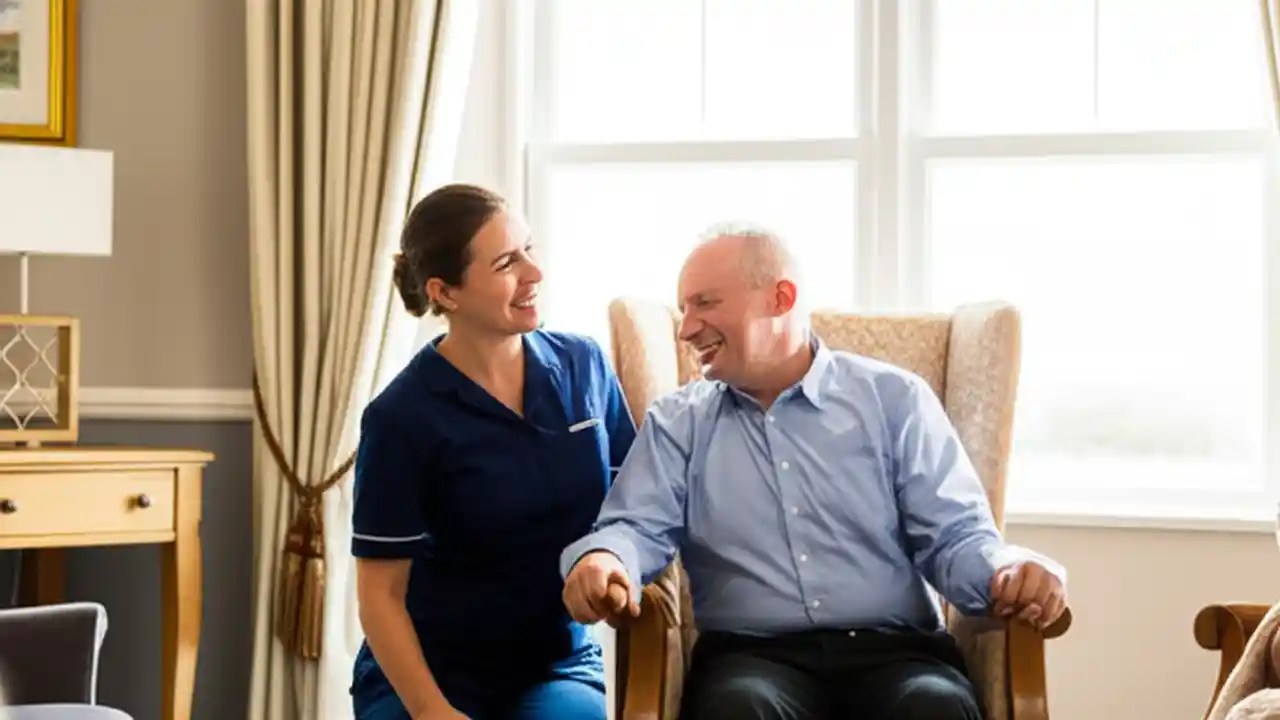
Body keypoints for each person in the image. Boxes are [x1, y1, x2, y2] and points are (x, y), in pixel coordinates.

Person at [560, 224, 1068, 720]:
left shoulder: (895, 399)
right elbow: (636, 527)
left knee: (934, 706)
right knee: (739, 709)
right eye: (685, 307)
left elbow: (955, 535)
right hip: (750, 661)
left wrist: (1007, 569)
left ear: (781, 298)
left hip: (898, 654)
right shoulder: (677, 421)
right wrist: (605, 559)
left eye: (705, 303)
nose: (686, 327)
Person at [350, 183, 637, 720]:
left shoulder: (585, 365)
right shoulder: (401, 418)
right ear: (446, 292)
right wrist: (433, 711)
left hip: (554, 665)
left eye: (530, 249)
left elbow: (635, 506)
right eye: (507, 262)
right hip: (426, 672)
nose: (534, 273)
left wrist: (611, 563)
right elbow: (380, 596)